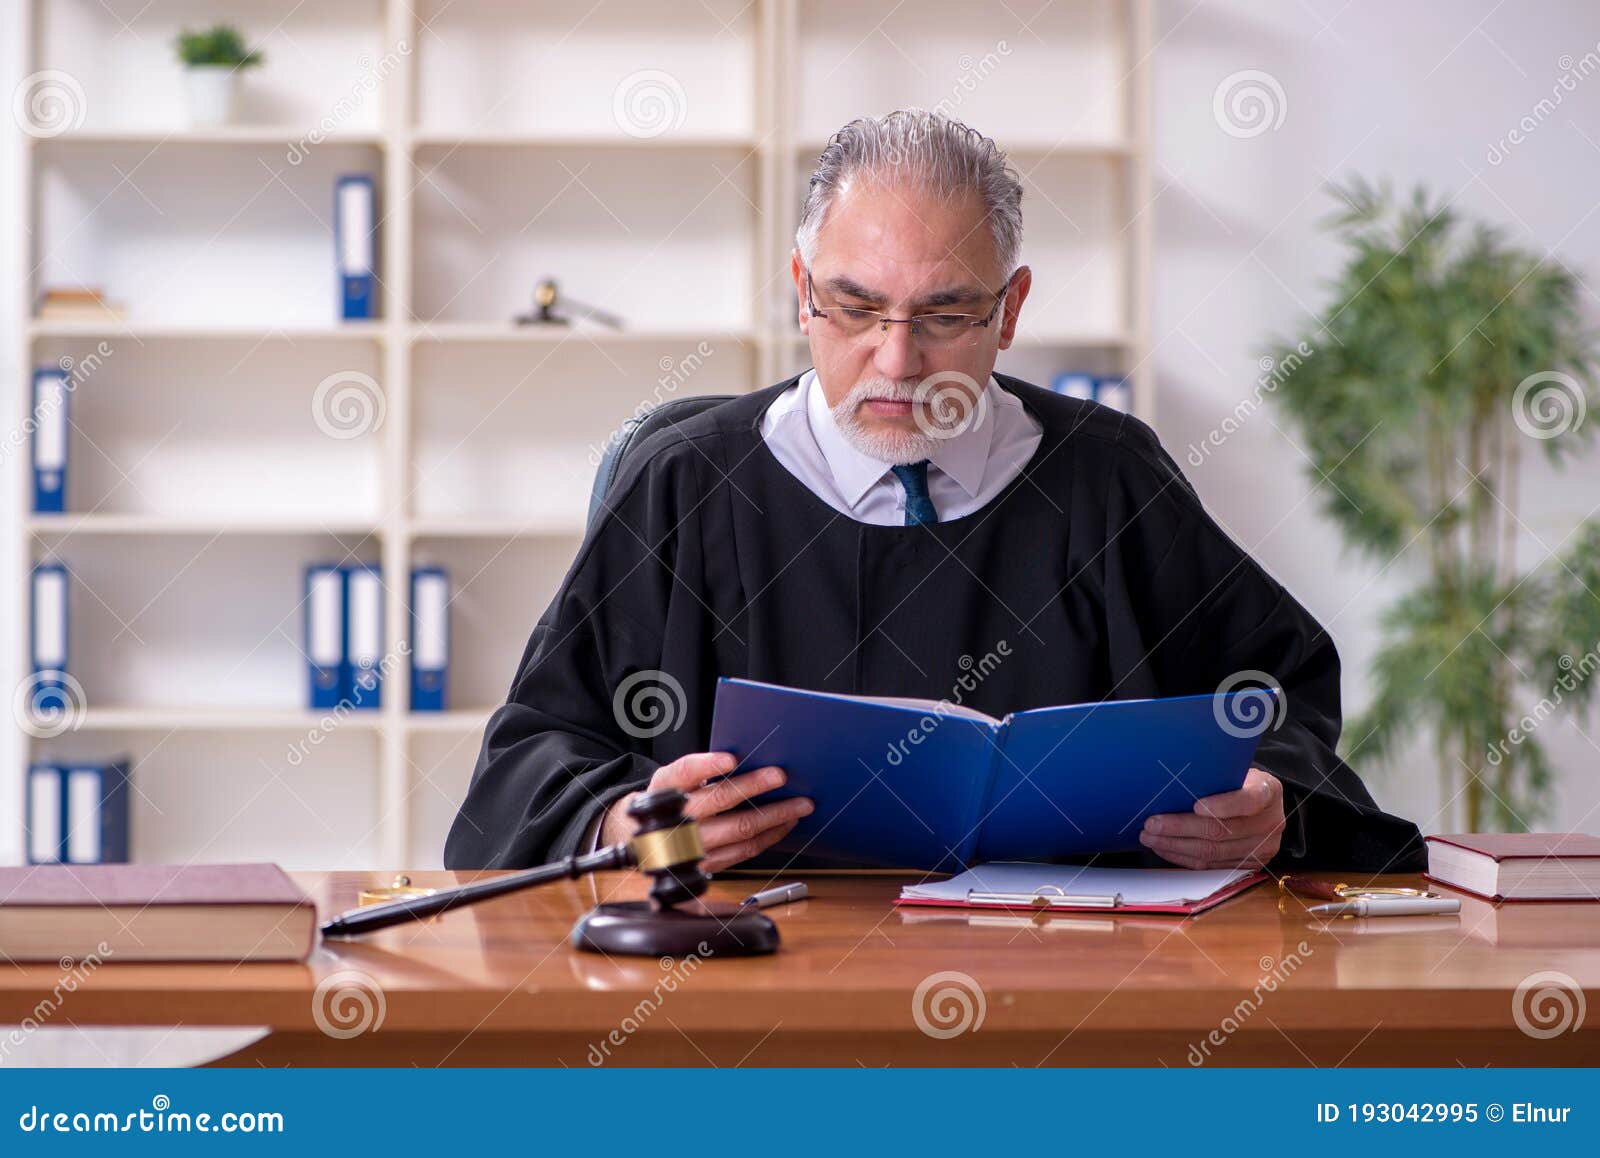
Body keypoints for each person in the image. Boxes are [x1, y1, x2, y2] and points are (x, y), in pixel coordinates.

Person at [444, 109, 1425, 876]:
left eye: (946, 314)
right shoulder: (688, 486)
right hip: (750, 981)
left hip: (1066, 990)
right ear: (801, 292)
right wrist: (633, 822)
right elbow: (531, 761)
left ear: (1011, 310)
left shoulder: (1106, 478)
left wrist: (1267, 807)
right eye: (855, 307)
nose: (897, 359)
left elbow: (1272, 694)